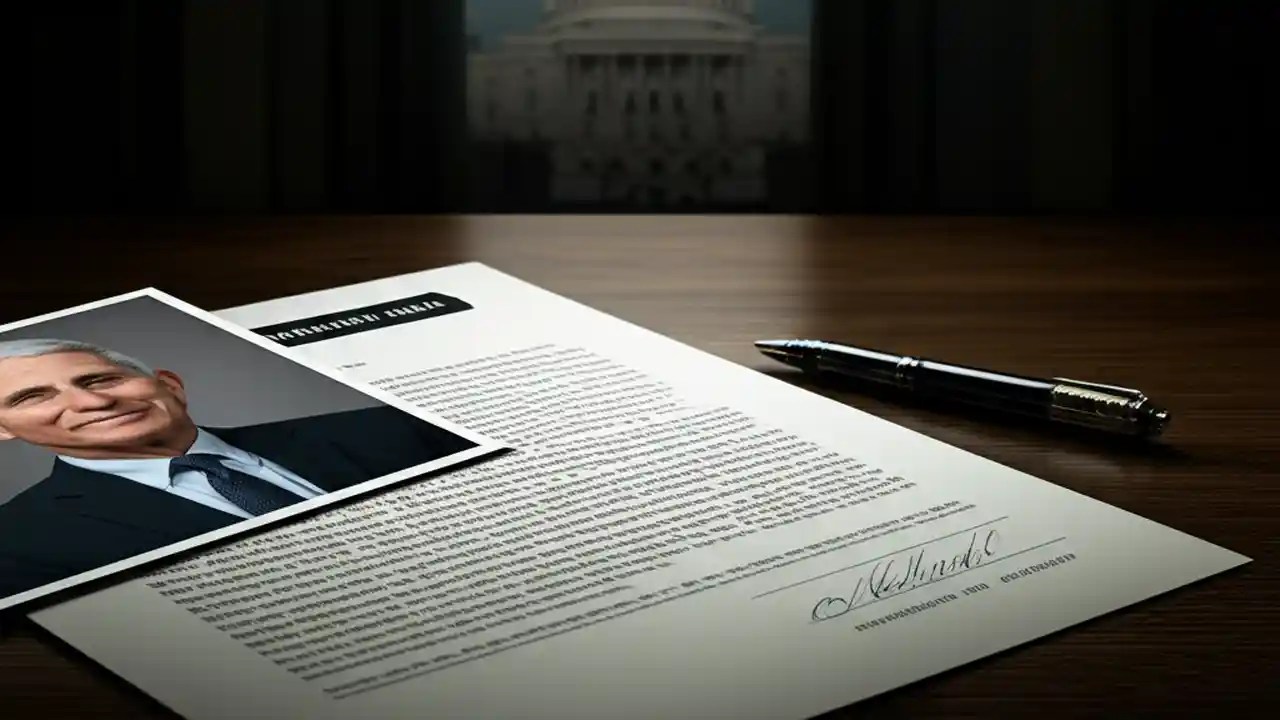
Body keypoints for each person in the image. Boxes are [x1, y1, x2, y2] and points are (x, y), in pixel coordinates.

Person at [0, 338, 475, 598]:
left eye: (101, 378)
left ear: (169, 386)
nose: (94, 401)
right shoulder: (19, 542)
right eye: (32, 397)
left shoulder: (392, 428)